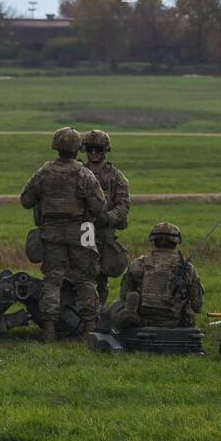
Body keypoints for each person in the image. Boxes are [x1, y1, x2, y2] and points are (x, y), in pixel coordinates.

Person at [20, 126, 107, 340]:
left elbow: (26, 200)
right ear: (78, 148)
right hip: (82, 230)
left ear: (56, 147)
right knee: (86, 279)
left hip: (51, 232)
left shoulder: (44, 172)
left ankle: (49, 328)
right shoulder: (83, 173)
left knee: (52, 279)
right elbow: (99, 206)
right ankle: (89, 328)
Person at [108, 222, 204, 329]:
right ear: (176, 242)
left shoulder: (138, 263)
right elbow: (197, 305)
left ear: (153, 241)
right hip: (175, 323)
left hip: (141, 321)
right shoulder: (187, 268)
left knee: (114, 307)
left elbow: (124, 295)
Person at [81, 129, 131, 307]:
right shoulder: (78, 171)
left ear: (105, 150)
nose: (94, 153)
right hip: (80, 231)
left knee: (101, 277)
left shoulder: (116, 176)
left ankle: (97, 314)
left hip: (104, 234)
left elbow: (123, 205)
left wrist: (108, 217)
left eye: (98, 149)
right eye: (90, 149)